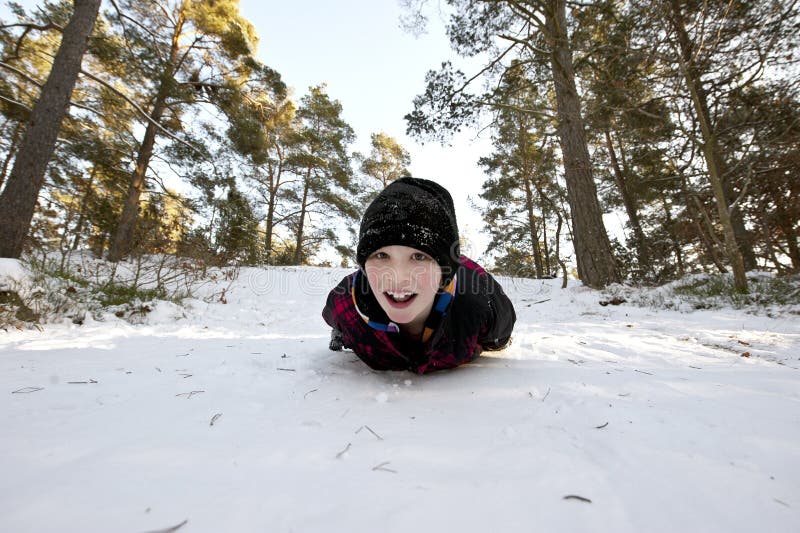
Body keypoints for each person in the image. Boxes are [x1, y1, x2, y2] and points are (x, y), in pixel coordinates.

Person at [322, 177, 516, 374]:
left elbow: (502, 333)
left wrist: (487, 345)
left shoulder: (479, 307)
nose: (398, 278)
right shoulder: (345, 303)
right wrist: (344, 334)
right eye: (381, 255)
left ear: (445, 271)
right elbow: (330, 316)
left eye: (418, 256)